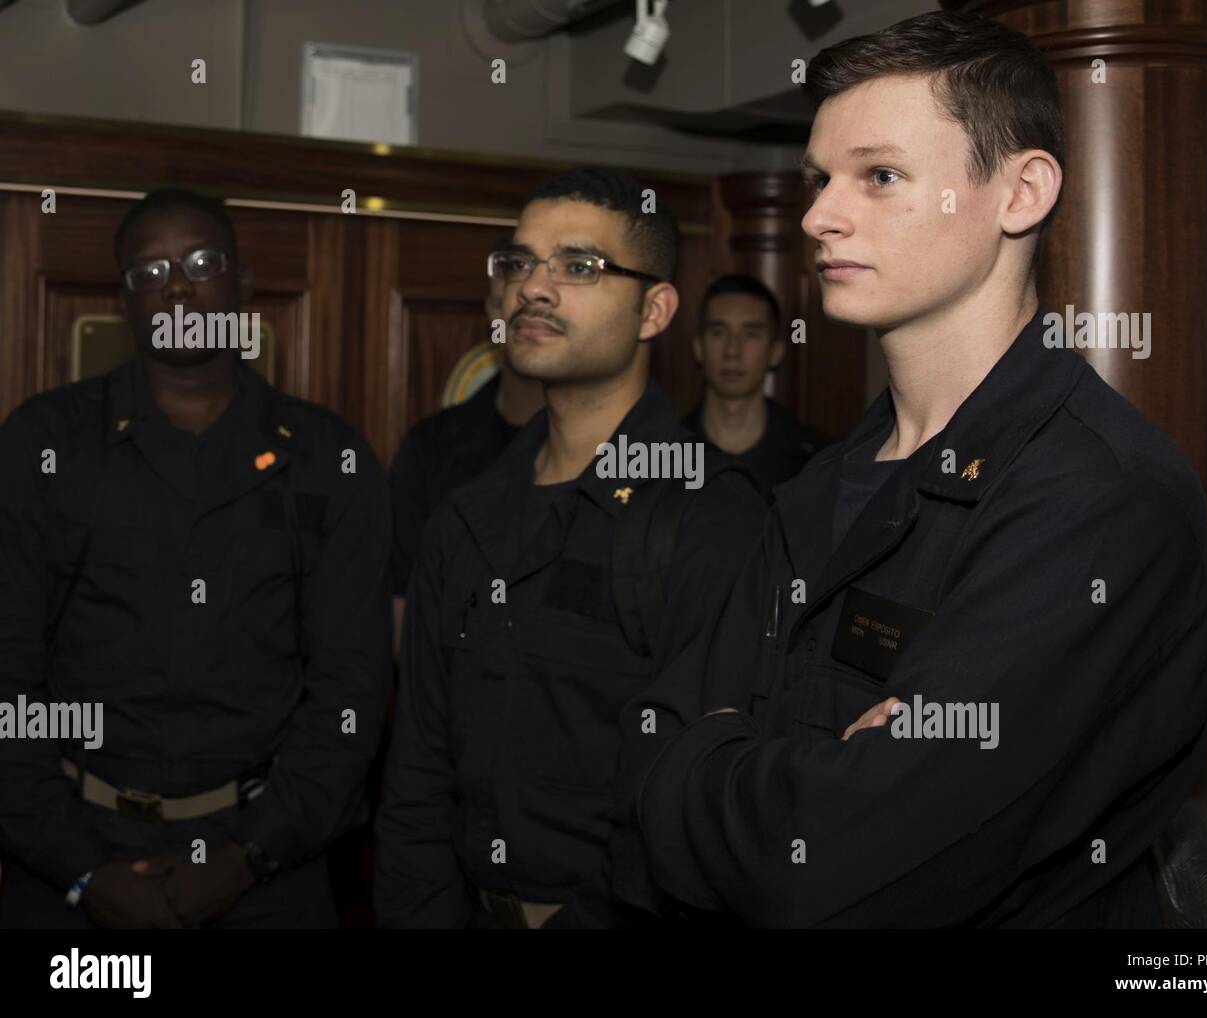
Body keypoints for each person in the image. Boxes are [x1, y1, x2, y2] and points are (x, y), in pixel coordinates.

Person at [614, 11, 1207, 928]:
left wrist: (723, 751)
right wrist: (780, 766)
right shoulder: (825, 482)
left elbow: (829, 864)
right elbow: (642, 757)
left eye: (882, 176)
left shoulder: (1102, 502)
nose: (820, 215)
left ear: (1020, 193)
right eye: (822, 178)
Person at [374, 167, 767, 928]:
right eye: (520, 263)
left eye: (579, 266)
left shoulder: (712, 517)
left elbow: (694, 815)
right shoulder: (466, 516)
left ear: (653, 309)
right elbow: (416, 773)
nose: (534, 288)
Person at [0, 188, 391, 928]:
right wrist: (82, 869)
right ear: (125, 301)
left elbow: (350, 695)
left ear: (242, 285)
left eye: (202, 262)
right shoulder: (43, 444)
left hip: (268, 862)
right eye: (149, 272)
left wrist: (247, 860)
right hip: (68, 861)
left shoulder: (328, 458)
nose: (177, 285)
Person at [389, 250, 544, 639]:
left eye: (536, 303)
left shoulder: (616, 449)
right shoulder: (431, 449)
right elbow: (403, 608)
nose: (521, 317)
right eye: (505, 302)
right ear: (491, 312)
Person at [684, 274, 829, 496]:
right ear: (698, 347)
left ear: (775, 352)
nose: (732, 351)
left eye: (751, 335)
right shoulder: (667, 454)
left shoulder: (816, 461)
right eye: (718, 333)